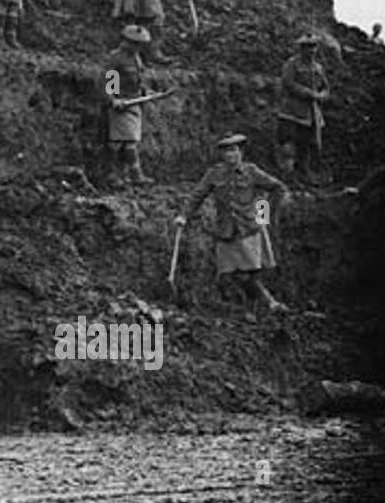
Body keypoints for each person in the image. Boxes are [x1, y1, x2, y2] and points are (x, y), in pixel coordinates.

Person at [175, 133, 291, 314]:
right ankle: (261, 305)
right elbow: (197, 195)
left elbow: (278, 188)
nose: (230, 155)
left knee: (251, 274)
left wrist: (265, 214)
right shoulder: (214, 174)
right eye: (226, 151)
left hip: (249, 229)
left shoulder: (252, 172)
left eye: (234, 150)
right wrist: (184, 216)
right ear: (222, 155)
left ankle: (261, 306)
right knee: (232, 274)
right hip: (226, 231)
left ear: (241, 152)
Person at [102, 24, 153, 187]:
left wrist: (147, 92)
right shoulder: (116, 58)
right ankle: (119, 175)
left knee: (129, 141)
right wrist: (113, 100)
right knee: (121, 141)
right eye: (134, 43)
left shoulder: (136, 58)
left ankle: (125, 175)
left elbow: (140, 79)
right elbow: (109, 81)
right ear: (126, 41)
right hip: (122, 104)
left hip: (135, 102)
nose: (138, 47)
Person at [276, 33, 330, 185]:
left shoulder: (318, 68)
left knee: (305, 145)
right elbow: (288, 82)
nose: (311, 51)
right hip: (291, 112)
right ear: (301, 49)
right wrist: (306, 93)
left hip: (310, 114)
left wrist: (321, 96)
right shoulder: (292, 64)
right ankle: (286, 175)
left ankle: (304, 175)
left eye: (313, 46)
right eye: (307, 47)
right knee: (287, 143)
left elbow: (326, 88)